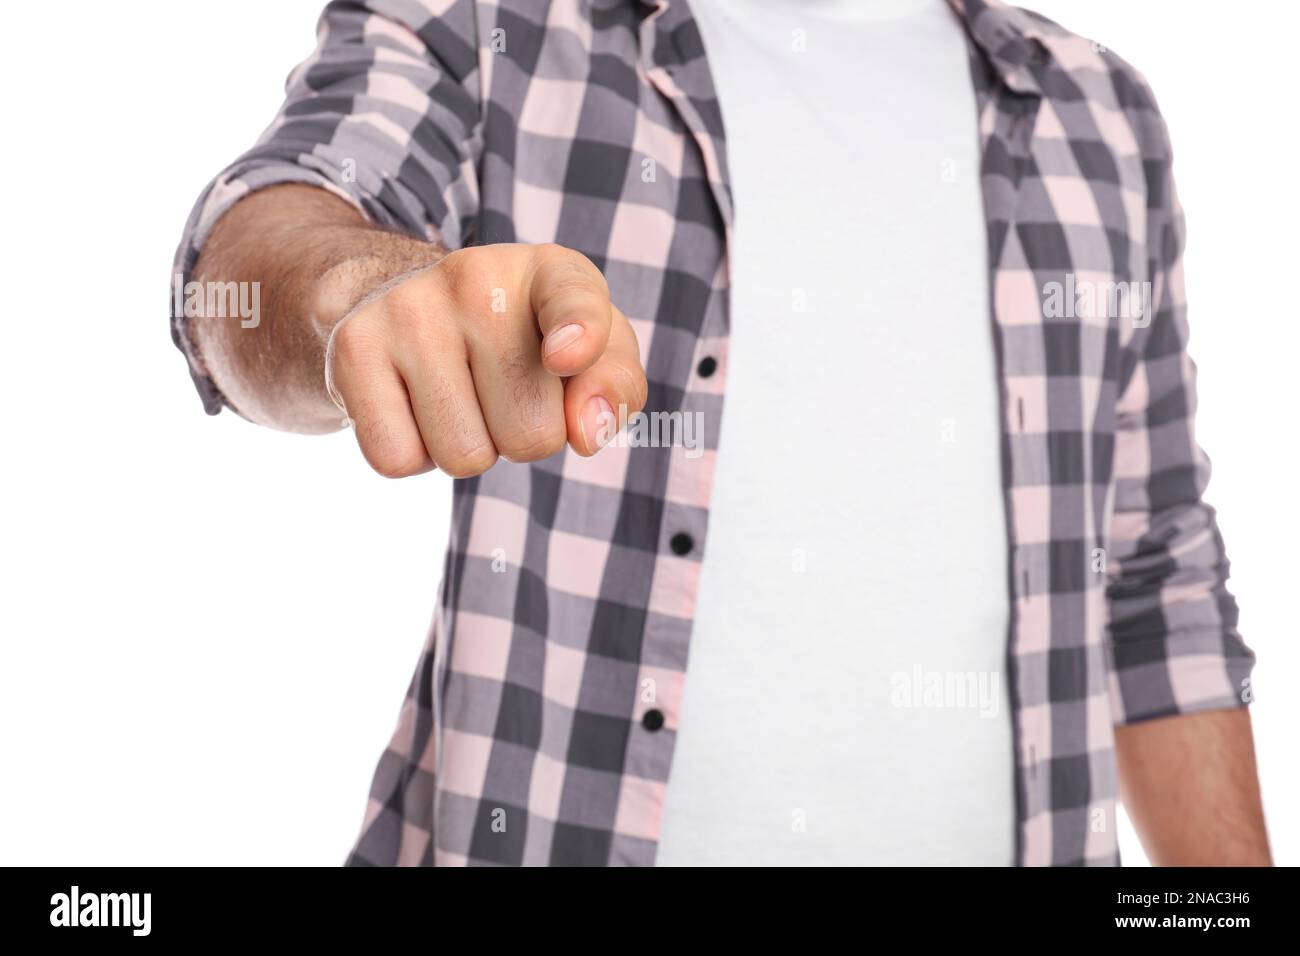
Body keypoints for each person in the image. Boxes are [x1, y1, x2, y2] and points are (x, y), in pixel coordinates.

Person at [172, 0, 1269, 866]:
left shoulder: (1098, 113)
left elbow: (1151, 578)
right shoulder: (501, 25)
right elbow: (272, 224)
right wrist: (359, 291)